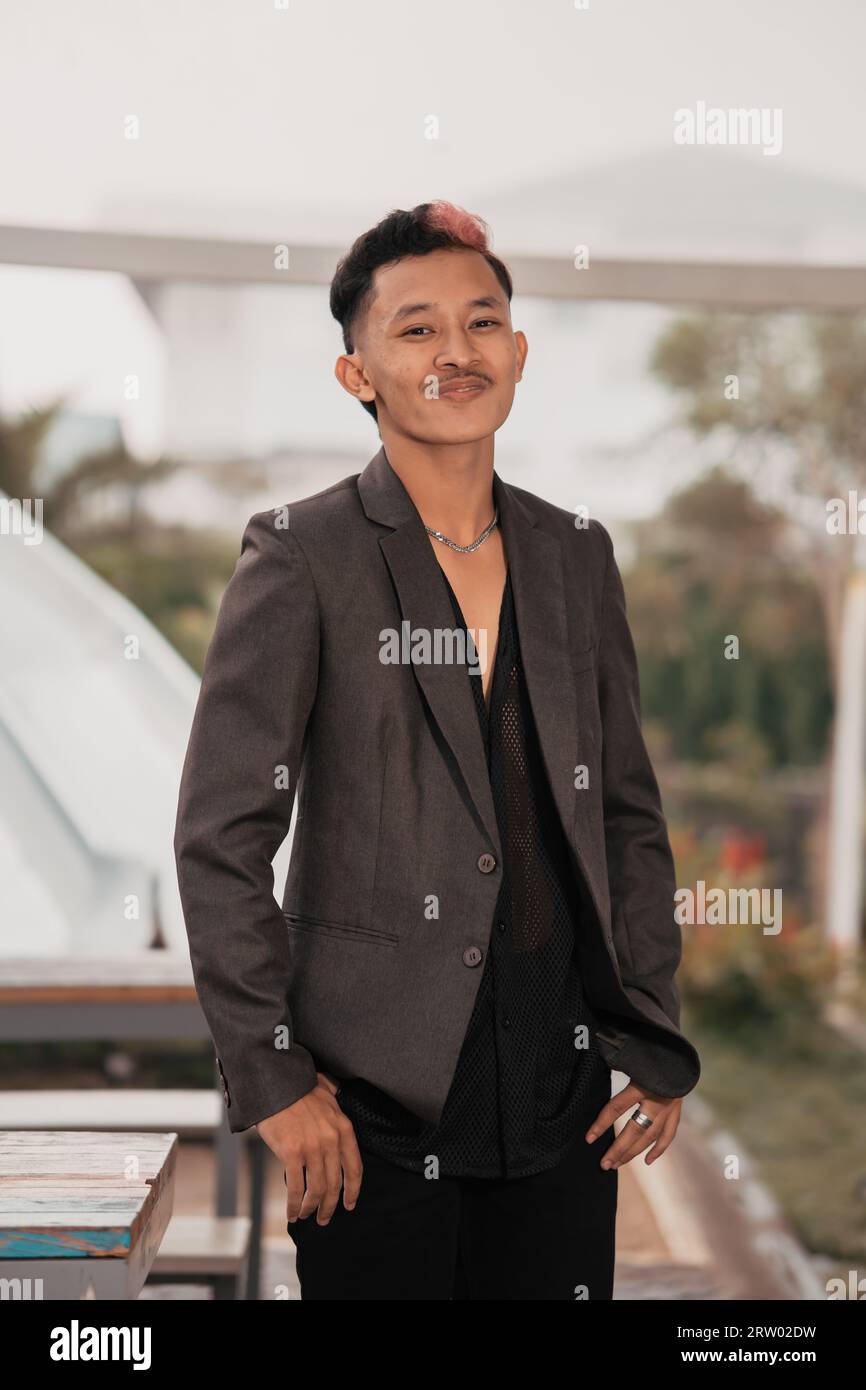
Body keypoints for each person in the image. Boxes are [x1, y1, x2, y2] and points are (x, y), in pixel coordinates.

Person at [173, 200, 701, 1300]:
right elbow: (222, 837)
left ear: (516, 353)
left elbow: (626, 818)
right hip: (370, 1106)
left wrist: (651, 1034)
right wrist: (273, 1079)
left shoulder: (574, 554)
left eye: (481, 322)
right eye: (414, 329)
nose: (454, 351)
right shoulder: (299, 553)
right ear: (355, 371)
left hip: (560, 1102)